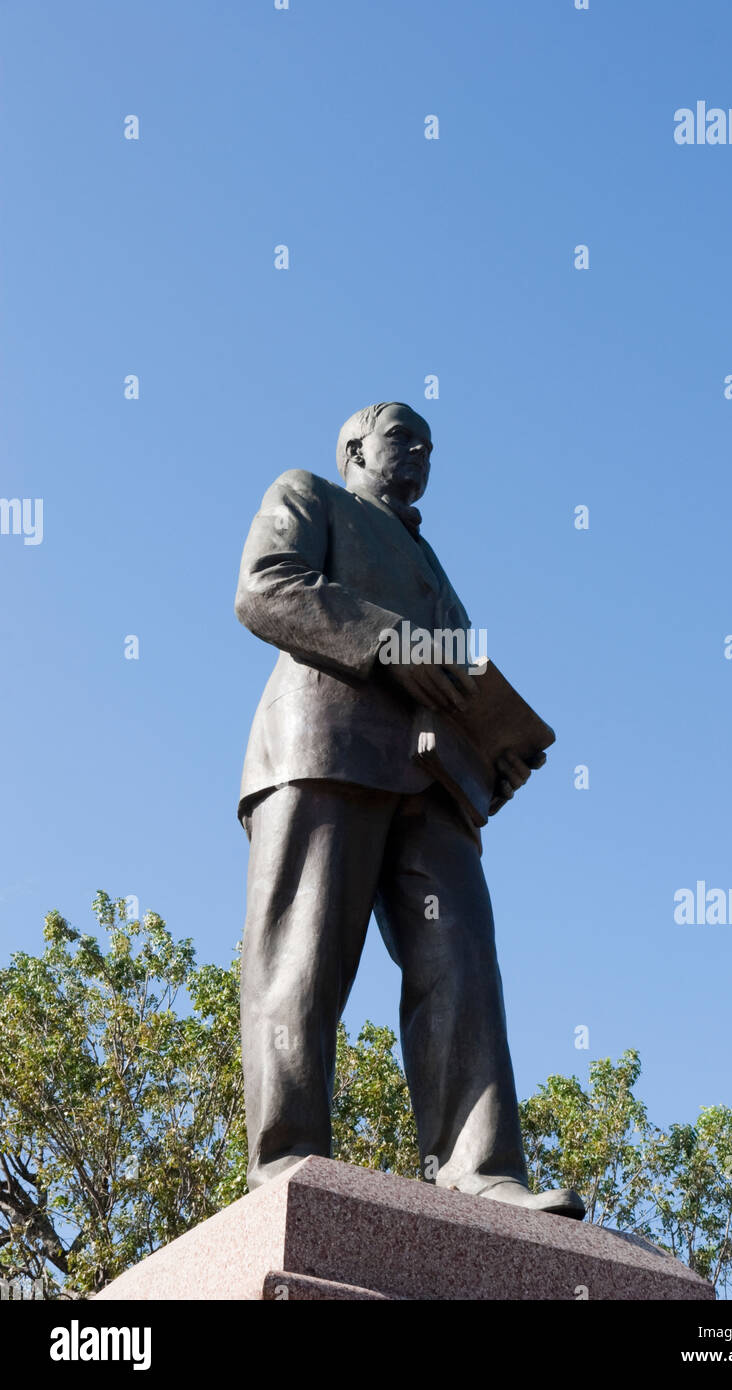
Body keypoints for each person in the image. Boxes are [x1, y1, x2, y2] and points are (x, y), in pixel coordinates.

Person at [234, 401, 584, 1217]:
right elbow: (265, 588)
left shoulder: (437, 569)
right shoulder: (308, 492)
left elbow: (459, 680)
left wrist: (497, 752)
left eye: (430, 444)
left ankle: (481, 1167)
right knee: (302, 958)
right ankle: (289, 1161)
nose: (421, 451)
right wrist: (393, 641)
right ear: (354, 446)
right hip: (322, 748)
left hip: (435, 788)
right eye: (403, 435)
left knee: (463, 964)